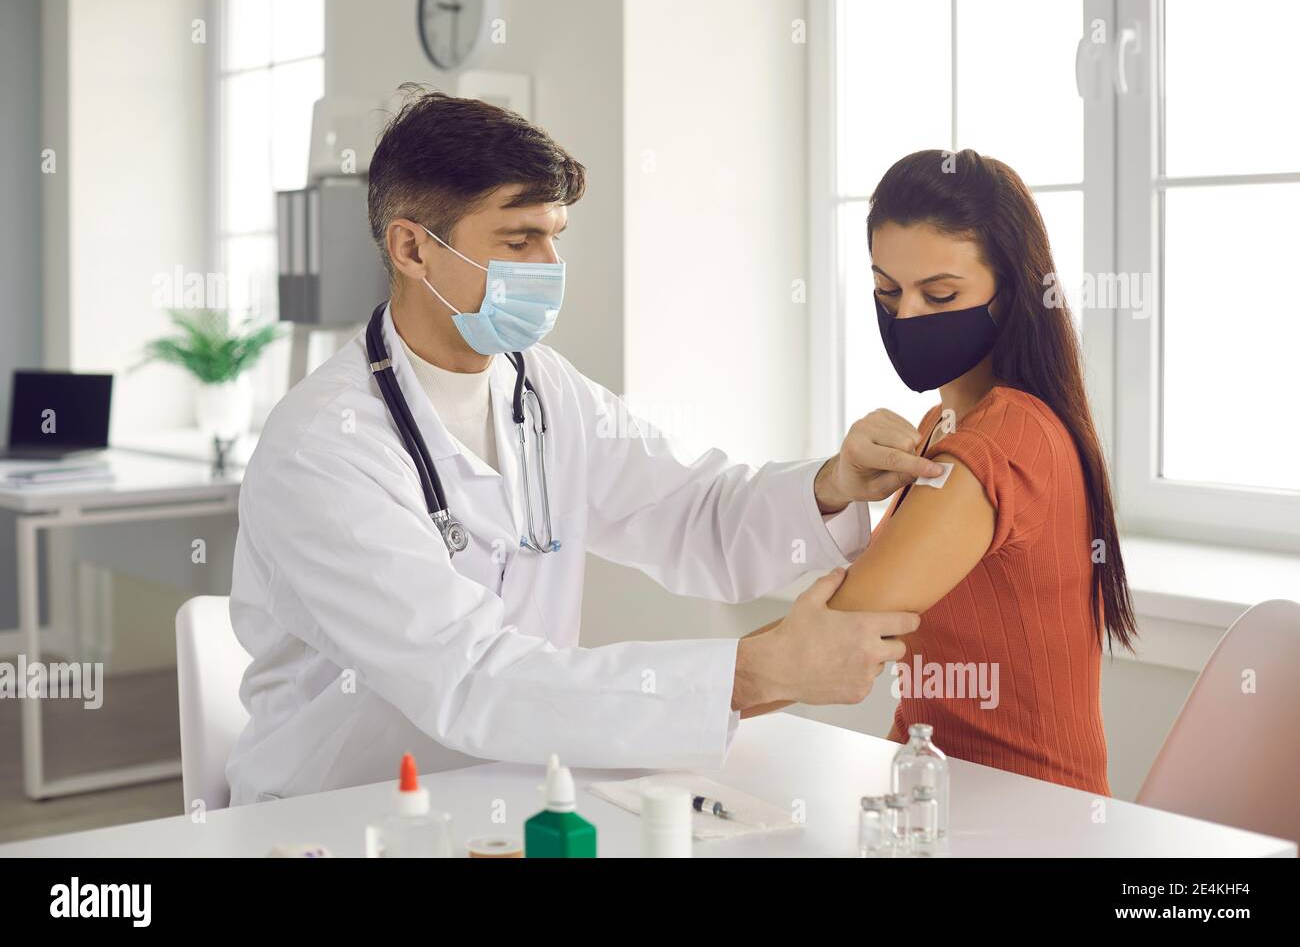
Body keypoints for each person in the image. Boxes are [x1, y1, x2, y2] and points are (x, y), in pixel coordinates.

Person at [224, 90, 938, 805]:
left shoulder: (542, 388)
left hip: (511, 796)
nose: (549, 263)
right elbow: (469, 678)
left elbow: (693, 512)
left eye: (554, 235)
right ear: (413, 248)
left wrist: (834, 484)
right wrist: (754, 672)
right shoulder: (323, 449)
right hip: (342, 813)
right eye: (518, 240)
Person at [746, 149, 1135, 796]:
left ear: (1010, 288)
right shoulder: (941, 425)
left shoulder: (1001, 443)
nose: (907, 318)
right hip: (930, 795)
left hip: (1023, 819)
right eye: (887, 290)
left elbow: (821, 645)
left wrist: (635, 708)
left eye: (941, 293)